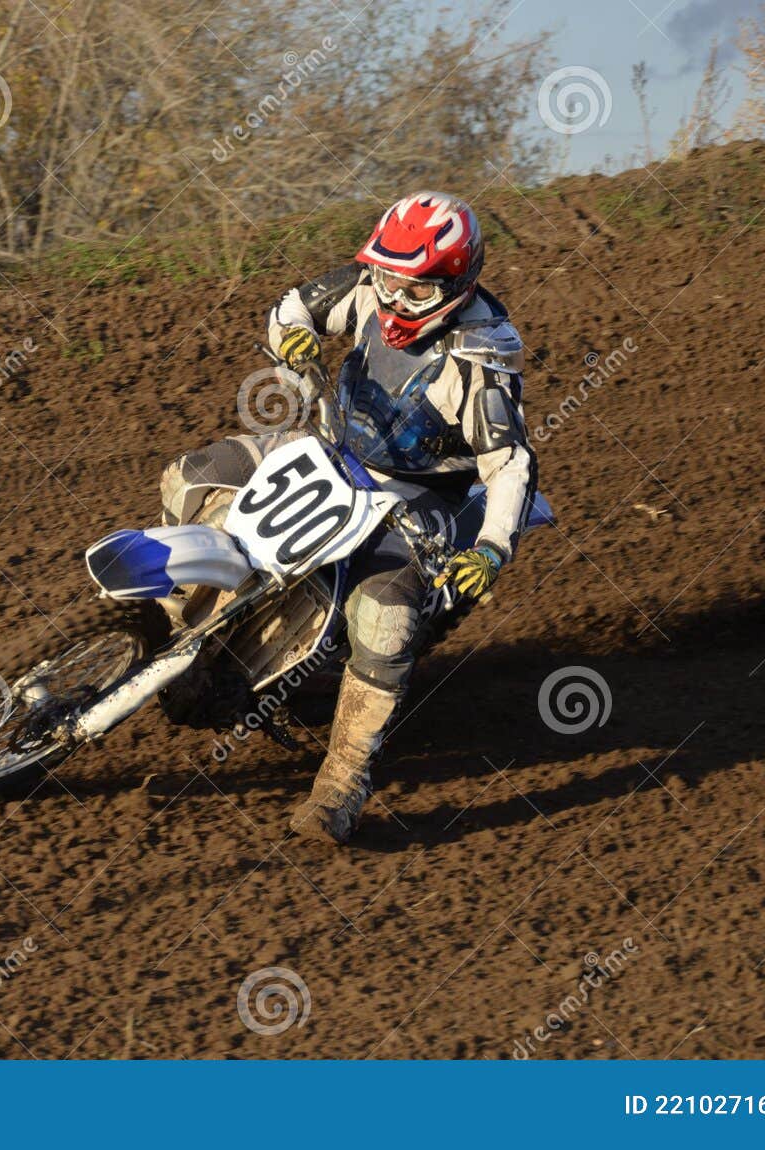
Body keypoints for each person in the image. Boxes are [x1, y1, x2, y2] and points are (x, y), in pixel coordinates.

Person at [159, 192, 538, 844]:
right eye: (388, 276)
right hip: (334, 449)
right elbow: (292, 308)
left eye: (413, 288)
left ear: (455, 283)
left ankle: (343, 778)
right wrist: (292, 341)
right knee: (191, 478)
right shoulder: (369, 286)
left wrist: (494, 548)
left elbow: (509, 466)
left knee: (385, 618)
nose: (393, 297)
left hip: (421, 497)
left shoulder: (478, 363)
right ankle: (171, 629)